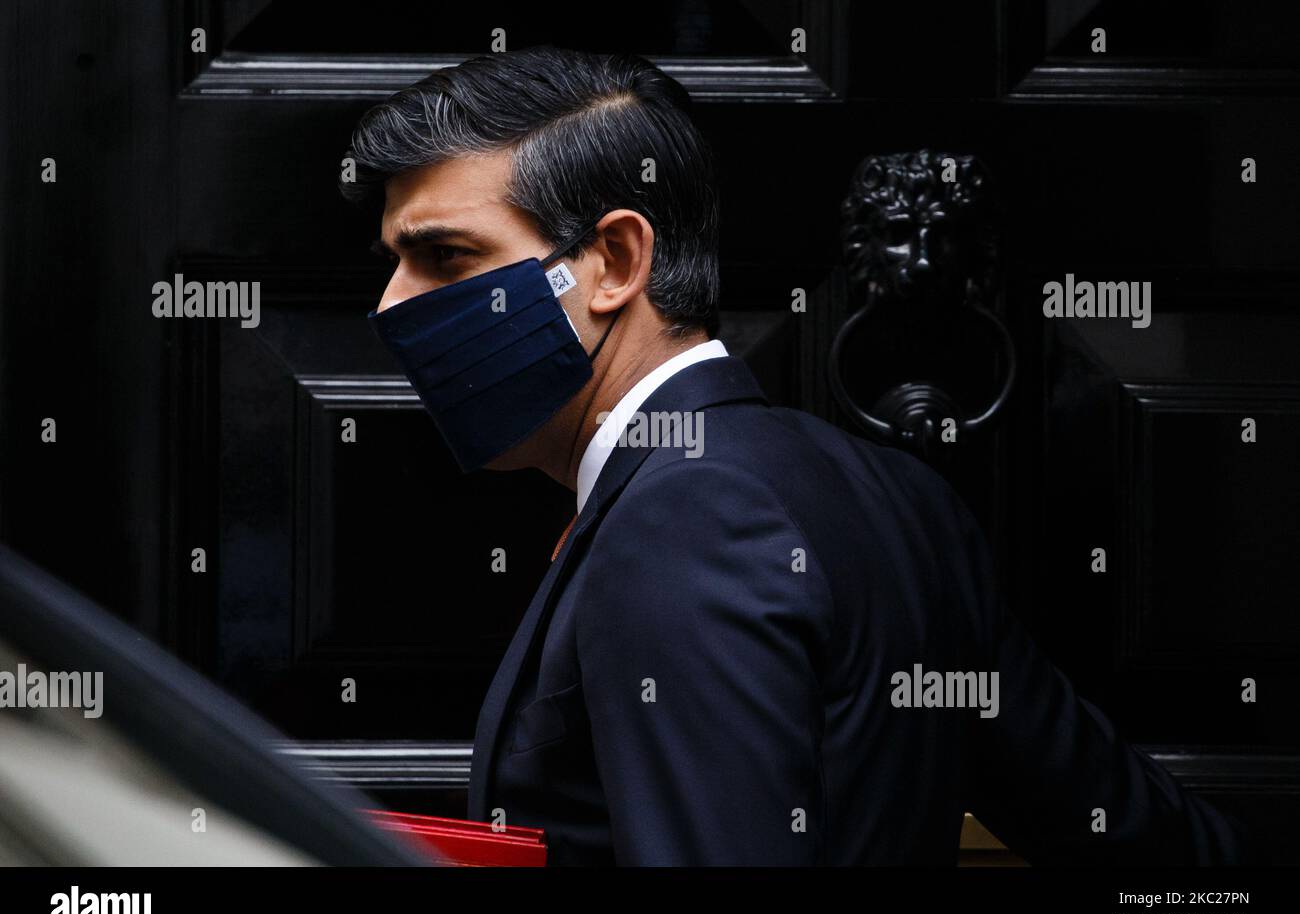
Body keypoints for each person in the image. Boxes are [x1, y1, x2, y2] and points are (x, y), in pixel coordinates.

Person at [341, 45, 1254, 865]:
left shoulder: (681, 518)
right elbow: (1152, 849)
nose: (390, 306)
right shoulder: (898, 494)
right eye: (394, 261)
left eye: (444, 256)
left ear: (613, 262)